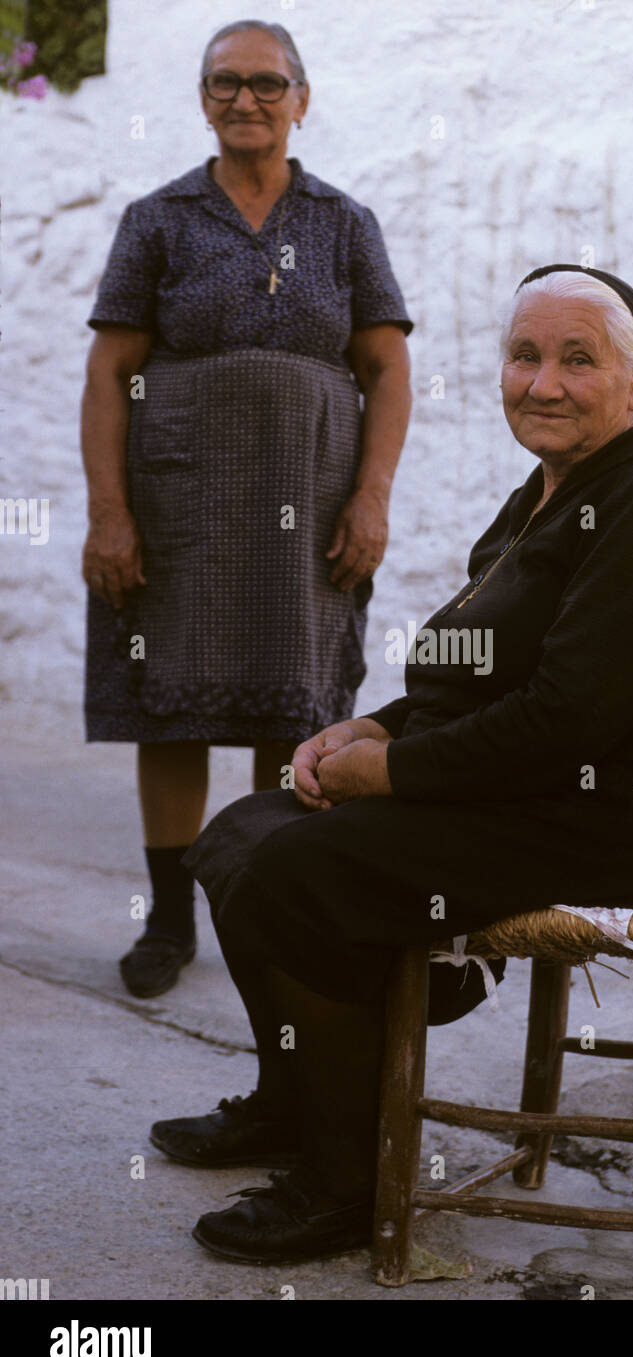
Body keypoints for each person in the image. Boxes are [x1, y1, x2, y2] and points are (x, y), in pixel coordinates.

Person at [150, 265, 633, 1265]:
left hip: (602, 819)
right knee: (243, 830)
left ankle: (349, 1178)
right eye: (524, 356)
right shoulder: (555, 491)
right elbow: (473, 671)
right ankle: (293, 1097)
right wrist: (369, 729)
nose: (542, 382)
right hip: (523, 792)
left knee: (303, 868)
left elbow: (566, 720)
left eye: (577, 360)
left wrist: (389, 771)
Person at [79, 20, 413, 999]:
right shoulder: (159, 218)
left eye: (267, 84)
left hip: (307, 509)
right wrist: (109, 512)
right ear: (202, 98)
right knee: (170, 709)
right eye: (225, 83)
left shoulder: (345, 223)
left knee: (294, 698)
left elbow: (388, 369)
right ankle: (172, 921)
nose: (245, 101)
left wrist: (373, 498)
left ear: (301, 99)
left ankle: (271, 901)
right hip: (178, 499)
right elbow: (110, 372)